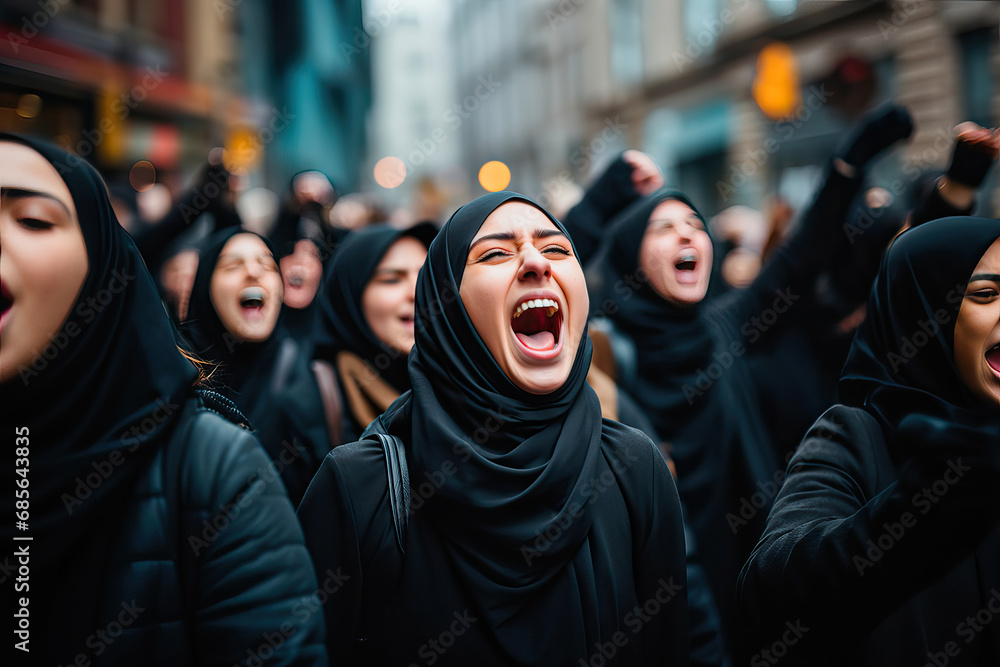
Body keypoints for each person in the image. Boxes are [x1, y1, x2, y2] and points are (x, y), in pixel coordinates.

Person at [580, 106, 914, 661]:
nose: (688, 234)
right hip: (666, 591)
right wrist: (601, 201)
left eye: (694, 225)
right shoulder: (602, 354)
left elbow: (801, 256)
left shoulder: (725, 327)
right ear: (628, 255)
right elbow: (540, 276)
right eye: (663, 228)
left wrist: (851, 159)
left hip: (751, 578)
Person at [298, 192, 690, 665]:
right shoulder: (360, 487)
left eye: (557, 249)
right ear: (448, 311)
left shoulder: (634, 468)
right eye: (496, 253)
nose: (535, 263)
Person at [0, 134, 325, 665]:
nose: (254, 275)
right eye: (231, 264)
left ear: (99, 264)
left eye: (33, 220)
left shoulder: (214, 465)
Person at [739, 216, 1000, 666]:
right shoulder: (855, 436)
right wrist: (925, 506)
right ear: (924, 314)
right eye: (986, 294)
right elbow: (772, 587)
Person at [181, 228, 335, 505]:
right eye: (232, 265)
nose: (254, 272)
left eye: (267, 264)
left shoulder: (310, 376)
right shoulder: (177, 381)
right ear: (205, 285)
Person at [313, 221, 437, 442]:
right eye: (391, 280)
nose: (416, 291)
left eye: (427, 276)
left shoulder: (464, 383)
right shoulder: (308, 400)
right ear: (350, 299)